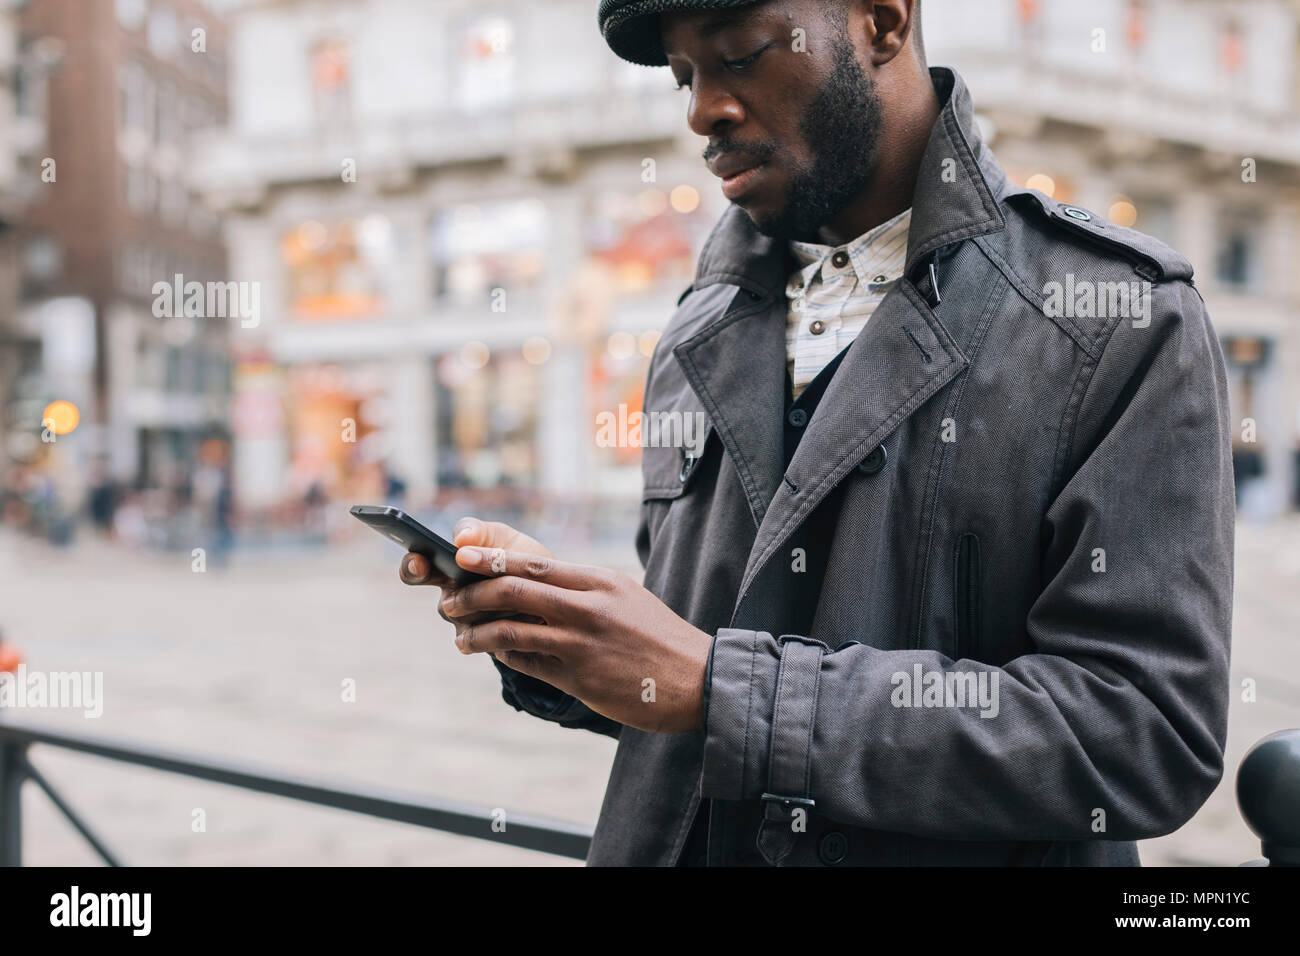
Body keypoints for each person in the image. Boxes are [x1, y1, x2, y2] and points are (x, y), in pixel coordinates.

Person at [401, 0, 1234, 866]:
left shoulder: (1117, 319)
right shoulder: (695, 332)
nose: (700, 111)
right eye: (685, 76)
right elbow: (688, 681)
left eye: (739, 55)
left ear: (882, 20)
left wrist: (725, 689)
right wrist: (567, 639)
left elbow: (1145, 735)